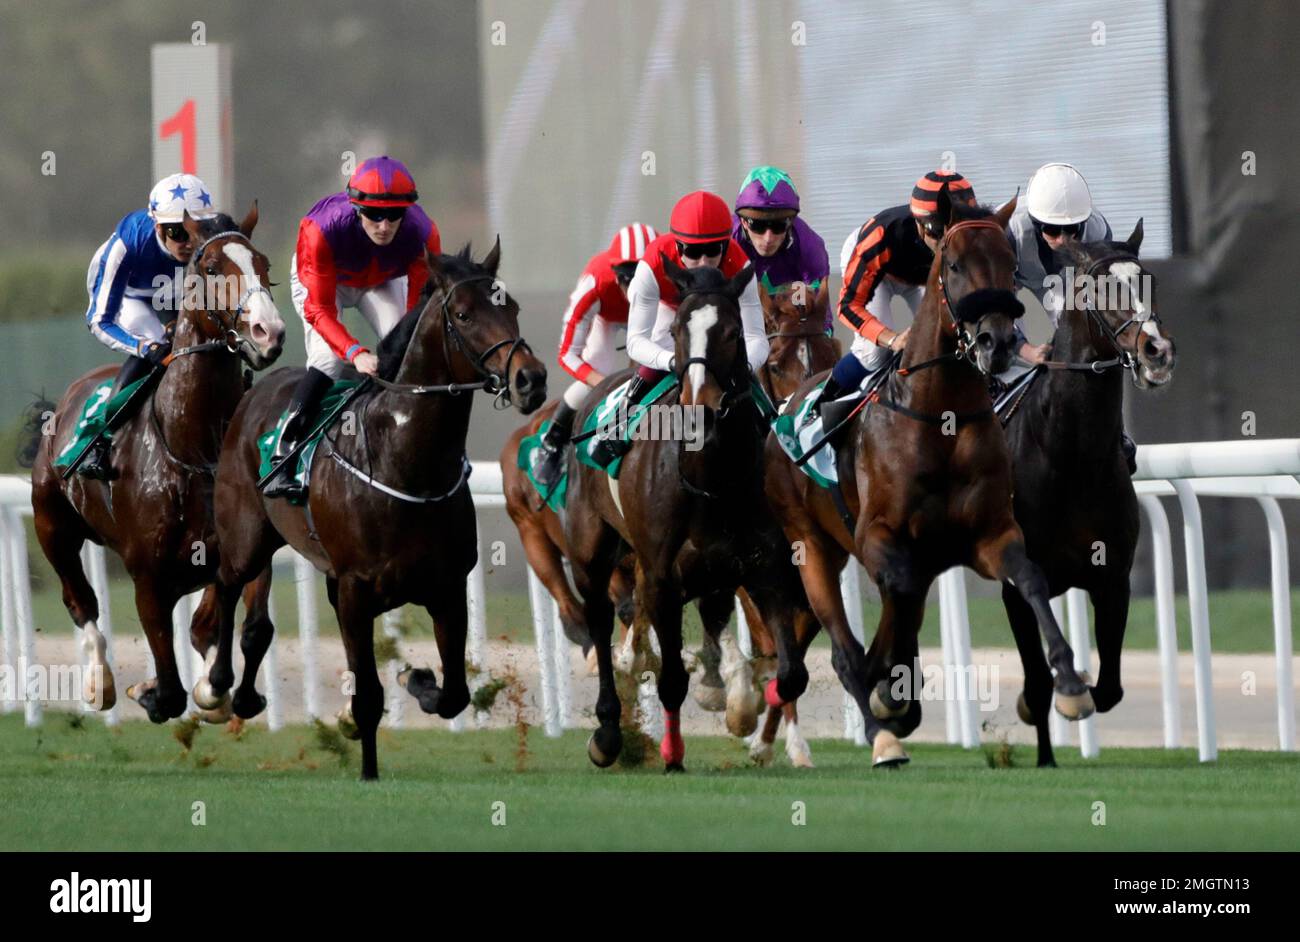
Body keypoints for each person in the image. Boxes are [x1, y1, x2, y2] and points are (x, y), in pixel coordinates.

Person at [263, 156, 442, 500]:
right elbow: (319, 309)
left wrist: (401, 346)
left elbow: (416, 309)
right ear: (356, 207)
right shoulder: (321, 229)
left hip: (380, 280)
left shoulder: (424, 233)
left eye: (394, 215)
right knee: (329, 360)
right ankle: (282, 454)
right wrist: (355, 352)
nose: (385, 225)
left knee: (404, 350)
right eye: (374, 215)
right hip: (324, 286)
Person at [595, 190, 769, 463]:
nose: (703, 263)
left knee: (734, 351)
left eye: (712, 251)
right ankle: (622, 416)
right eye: (693, 251)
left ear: (726, 245)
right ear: (677, 247)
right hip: (672, 307)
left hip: (718, 312)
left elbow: (758, 337)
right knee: (665, 341)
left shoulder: (741, 263)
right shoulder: (653, 260)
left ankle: (770, 420)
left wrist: (743, 367)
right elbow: (636, 341)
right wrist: (675, 360)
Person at [78, 173, 219, 479]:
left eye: (197, 231)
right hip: (131, 295)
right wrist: (144, 347)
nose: (189, 243)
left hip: (172, 293)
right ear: (158, 228)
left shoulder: (209, 243)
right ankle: (100, 438)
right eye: (177, 233)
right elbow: (99, 320)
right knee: (156, 341)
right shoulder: (129, 245)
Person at [817, 169, 984, 411]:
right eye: (938, 232)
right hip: (879, 271)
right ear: (920, 225)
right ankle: (821, 405)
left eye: (958, 230)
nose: (948, 243)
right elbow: (848, 306)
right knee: (874, 353)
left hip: (919, 276)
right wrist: (892, 339)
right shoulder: (880, 237)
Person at [1006, 162, 1135, 472]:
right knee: (1009, 354)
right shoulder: (1009, 232)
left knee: (1073, 352)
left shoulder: (1098, 230)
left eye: (1071, 230)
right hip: (1014, 285)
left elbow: (1094, 296)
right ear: (1036, 224)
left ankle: (1111, 433)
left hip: (1064, 284)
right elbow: (997, 304)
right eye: (1052, 230)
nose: (1063, 239)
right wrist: (1022, 348)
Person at [532, 223, 658, 487]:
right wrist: (604, 384)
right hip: (608, 317)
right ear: (613, 273)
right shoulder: (594, 283)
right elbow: (567, 354)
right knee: (601, 361)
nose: (634, 289)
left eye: (642, 277)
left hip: (657, 311)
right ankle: (552, 441)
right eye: (626, 278)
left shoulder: (672, 272)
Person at [731, 166, 830, 331]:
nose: (768, 238)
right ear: (743, 222)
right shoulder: (727, 241)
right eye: (758, 226)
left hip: (787, 317)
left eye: (779, 226)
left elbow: (820, 315)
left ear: (790, 222)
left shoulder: (810, 246)